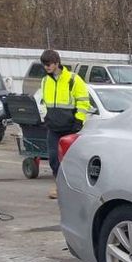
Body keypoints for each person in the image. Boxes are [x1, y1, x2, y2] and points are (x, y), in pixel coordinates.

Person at [39, 49, 90, 199]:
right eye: (44, 64)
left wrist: (79, 120)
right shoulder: (45, 81)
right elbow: (43, 101)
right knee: (54, 159)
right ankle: (59, 186)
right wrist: (45, 116)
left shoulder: (73, 80)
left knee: (71, 160)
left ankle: (73, 188)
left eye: (49, 64)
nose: (47, 67)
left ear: (57, 63)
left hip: (70, 128)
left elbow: (83, 101)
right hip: (53, 128)